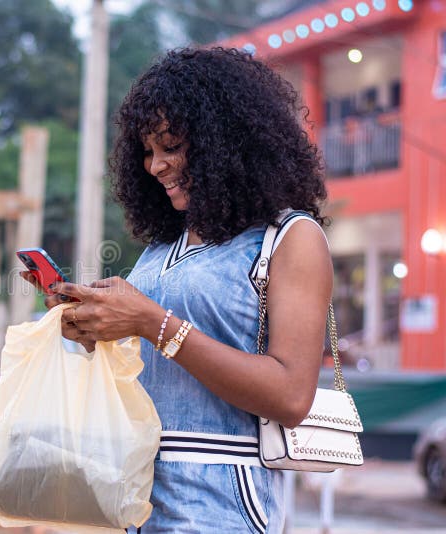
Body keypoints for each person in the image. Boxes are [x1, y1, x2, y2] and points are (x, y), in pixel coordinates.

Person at [22, 47, 332, 533]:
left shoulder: (289, 238)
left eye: (170, 146)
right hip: (135, 497)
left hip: (219, 505)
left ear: (224, 142)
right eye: (148, 151)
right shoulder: (163, 246)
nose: (155, 166)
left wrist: (152, 322)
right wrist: (92, 326)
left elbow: (292, 396)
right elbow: (150, 360)